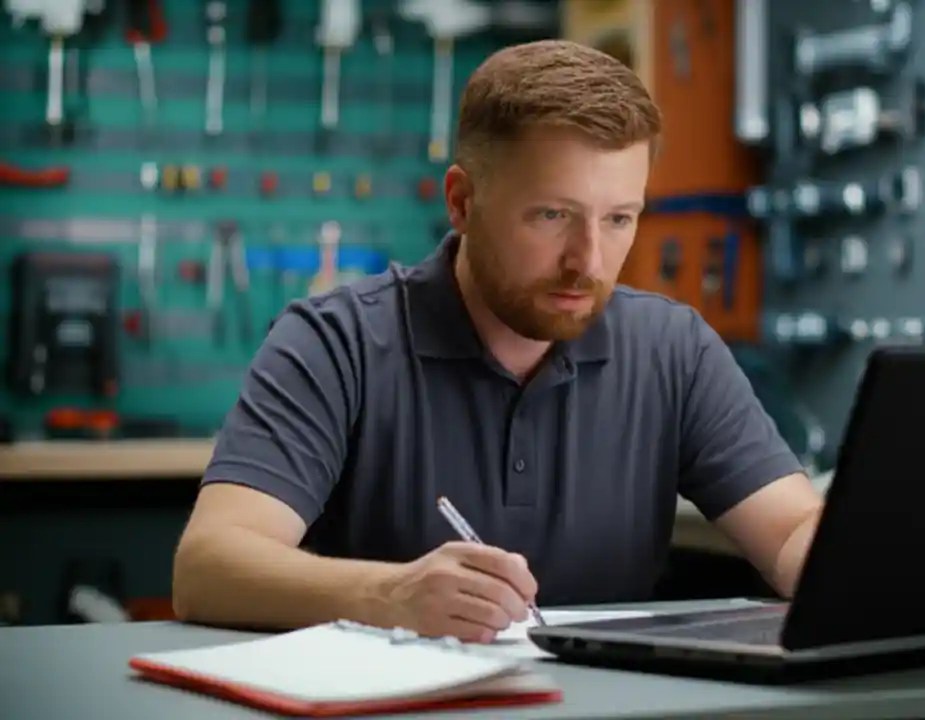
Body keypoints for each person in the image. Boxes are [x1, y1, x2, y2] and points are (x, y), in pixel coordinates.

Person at [171, 39, 823, 643]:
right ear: (461, 201)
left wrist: (858, 564)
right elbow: (209, 566)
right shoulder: (334, 344)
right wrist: (389, 595)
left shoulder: (672, 350)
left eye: (619, 219)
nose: (589, 262)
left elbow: (794, 527)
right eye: (552, 215)